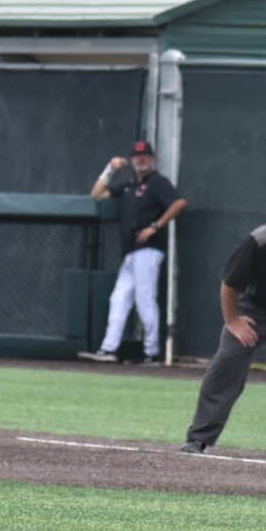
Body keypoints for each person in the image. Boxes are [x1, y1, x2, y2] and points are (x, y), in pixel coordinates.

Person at [180, 180, 266, 454]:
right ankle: (199, 438)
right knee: (225, 366)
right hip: (257, 314)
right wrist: (232, 320)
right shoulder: (260, 240)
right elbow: (230, 284)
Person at [78, 141, 188, 366]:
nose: (141, 160)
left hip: (148, 250)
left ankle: (151, 352)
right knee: (118, 300)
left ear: (153, 158)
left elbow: (178, 203)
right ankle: (108, 349)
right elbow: (96, 194)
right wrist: (110, 168)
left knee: (145, 299)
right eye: (137, 157)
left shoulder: (158, 182)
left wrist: (155, 226)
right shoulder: (128, 185)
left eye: (145, 156)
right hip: (129, 252)